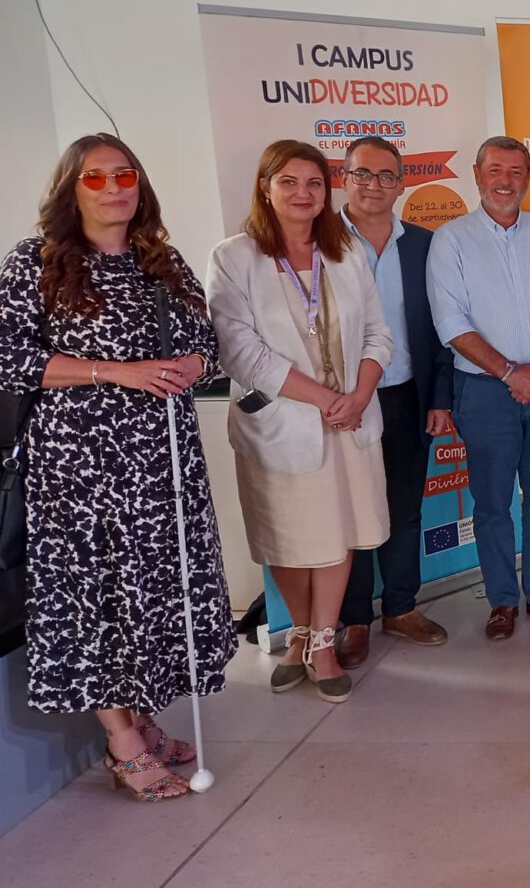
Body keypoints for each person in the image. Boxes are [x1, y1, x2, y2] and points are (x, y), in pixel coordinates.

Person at [0, 135, 235, 801]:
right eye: (95, 178)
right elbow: (8, 359)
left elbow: (207, 346)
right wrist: (115, 373)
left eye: (123, 174)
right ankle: (121, 739)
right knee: (99, 592)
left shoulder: (160, 261)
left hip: (162, 466)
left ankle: (143, 714)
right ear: (71, 190)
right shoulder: (36, 262)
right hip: (81, 467)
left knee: (153, 594)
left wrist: (197, 365)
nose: (112, 188)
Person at [207, 140, 393, 704]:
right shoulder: (234, 256)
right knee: (288, 539)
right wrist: (324, 399)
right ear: (266, 187)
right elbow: (239, 351)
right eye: (289, 182)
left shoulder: (346, 252)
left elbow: (378, 334)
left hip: (350, 422)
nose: (303, 194)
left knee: (339, 535)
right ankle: (303, 636)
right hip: (284, 423)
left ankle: (321, 643)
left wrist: (358, 394)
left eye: (314, 184)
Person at [426, 137, 530, 640]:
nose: (505, 181)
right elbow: (451, 323)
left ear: (528, 176)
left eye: (516, 171)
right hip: (485, 393)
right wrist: (511, 374)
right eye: (495, 170)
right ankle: (501, 601)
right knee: (492, 503)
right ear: (475, 174)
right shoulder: (450, 240)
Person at [333, 137, 455, 670]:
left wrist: (440, 397)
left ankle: (401, 607)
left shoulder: (425, 245)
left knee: (405, 509)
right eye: (363, 174)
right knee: (351, 512)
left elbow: (443, 328)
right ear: (344, 178)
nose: (374, 186)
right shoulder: (318, 243)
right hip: (341, 401)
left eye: (386, 176)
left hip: (407, 394)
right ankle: (354, 619)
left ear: (402, 182)